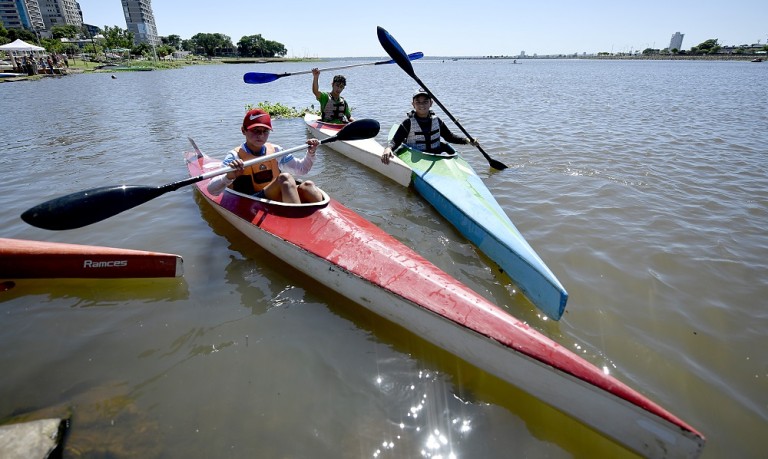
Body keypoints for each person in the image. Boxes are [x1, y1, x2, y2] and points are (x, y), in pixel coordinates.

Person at [207, 108, 323, 204]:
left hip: (273, 197)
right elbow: (212, 190)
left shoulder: (276, 150)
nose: (261, 135)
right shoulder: (235, 156)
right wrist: (229, 176)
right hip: (252, 200)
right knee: (285, 178)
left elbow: (302, 169)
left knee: (308, 186)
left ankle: (318, 222)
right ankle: (296, 222)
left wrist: (311, 152)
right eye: (255, 130)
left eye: (265, 131)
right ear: (243, 130)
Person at [381, 88, 479, 164]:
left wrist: (467, 140)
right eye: (418, 102)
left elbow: (449, 137)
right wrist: (388, 148)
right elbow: (396, 141)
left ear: (431, 103)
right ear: (413, 104)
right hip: (417, 155)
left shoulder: (437, 120)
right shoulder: (407, 123)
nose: (421, 105)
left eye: (425, 101)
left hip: (436, 155)